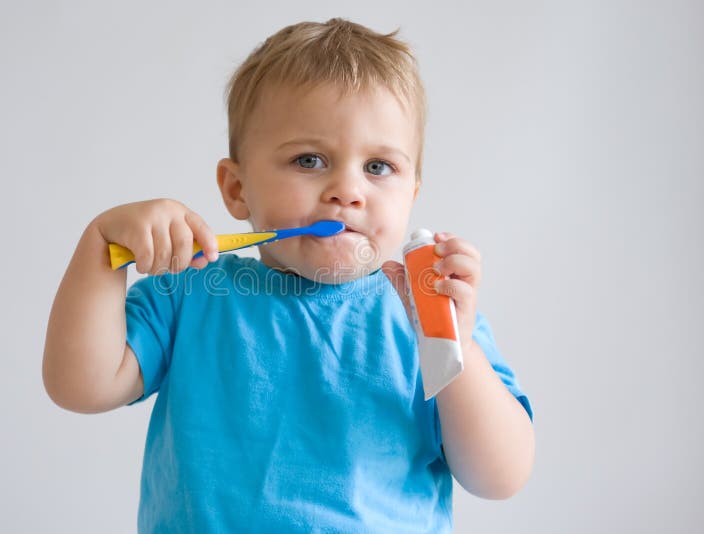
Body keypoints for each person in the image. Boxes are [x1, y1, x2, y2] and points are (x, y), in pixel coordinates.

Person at [43, 17, 535, 533]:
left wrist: (451, 343)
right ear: (236, 190)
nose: (348, 191)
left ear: (411, 193)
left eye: (378, 167)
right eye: (309, 159)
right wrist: (101, 245)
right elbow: (80, 386)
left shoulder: (429, 317)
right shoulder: (192, 289)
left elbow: (498, 477)